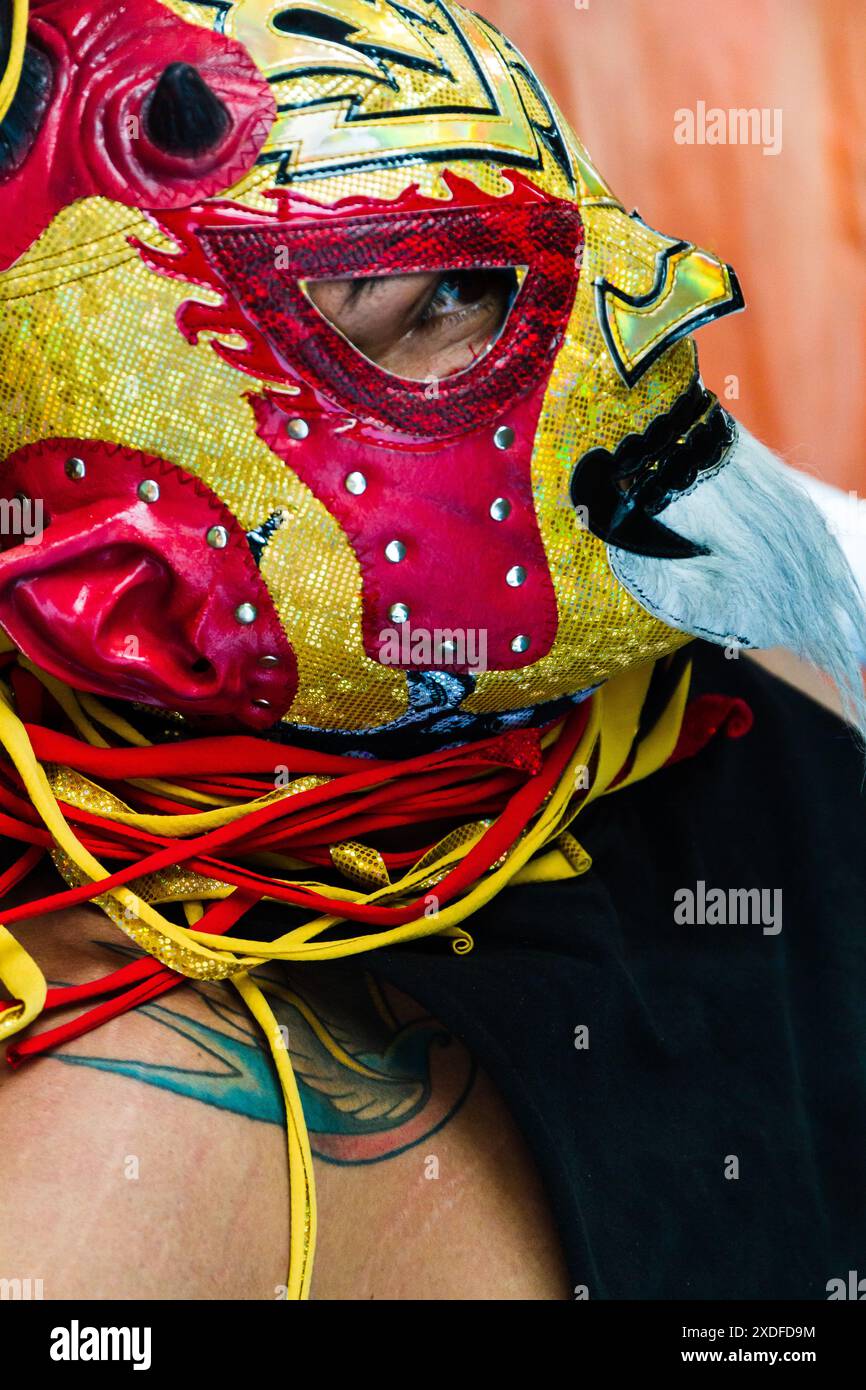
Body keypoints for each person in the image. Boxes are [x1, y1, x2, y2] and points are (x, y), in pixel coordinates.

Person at [0, 0, 863, 1301]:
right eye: (449, 296)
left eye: (575, 186)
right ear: (127, 595)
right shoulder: (99, 1211)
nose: (676, 282)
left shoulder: (773, 660)